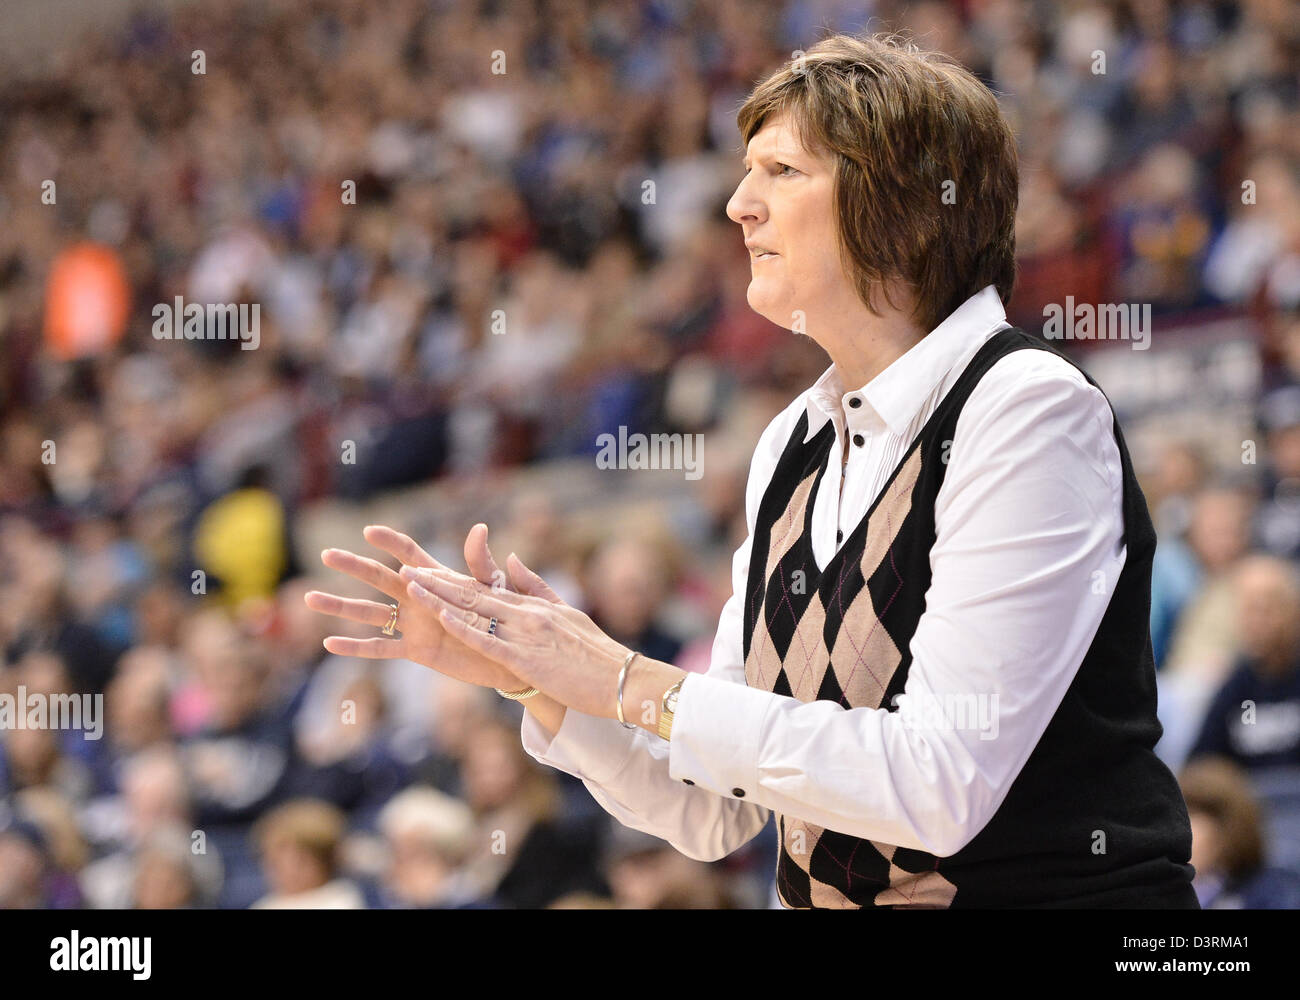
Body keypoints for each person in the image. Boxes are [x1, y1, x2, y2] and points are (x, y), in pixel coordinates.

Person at [308, 32, 1196, 908]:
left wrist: (629, 680)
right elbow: (714, 811)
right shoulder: (789, 445)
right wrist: (539, 675)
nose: (737, 204)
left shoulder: (1028, 408)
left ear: (908, 205)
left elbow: (940, 782)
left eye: (782, 172)